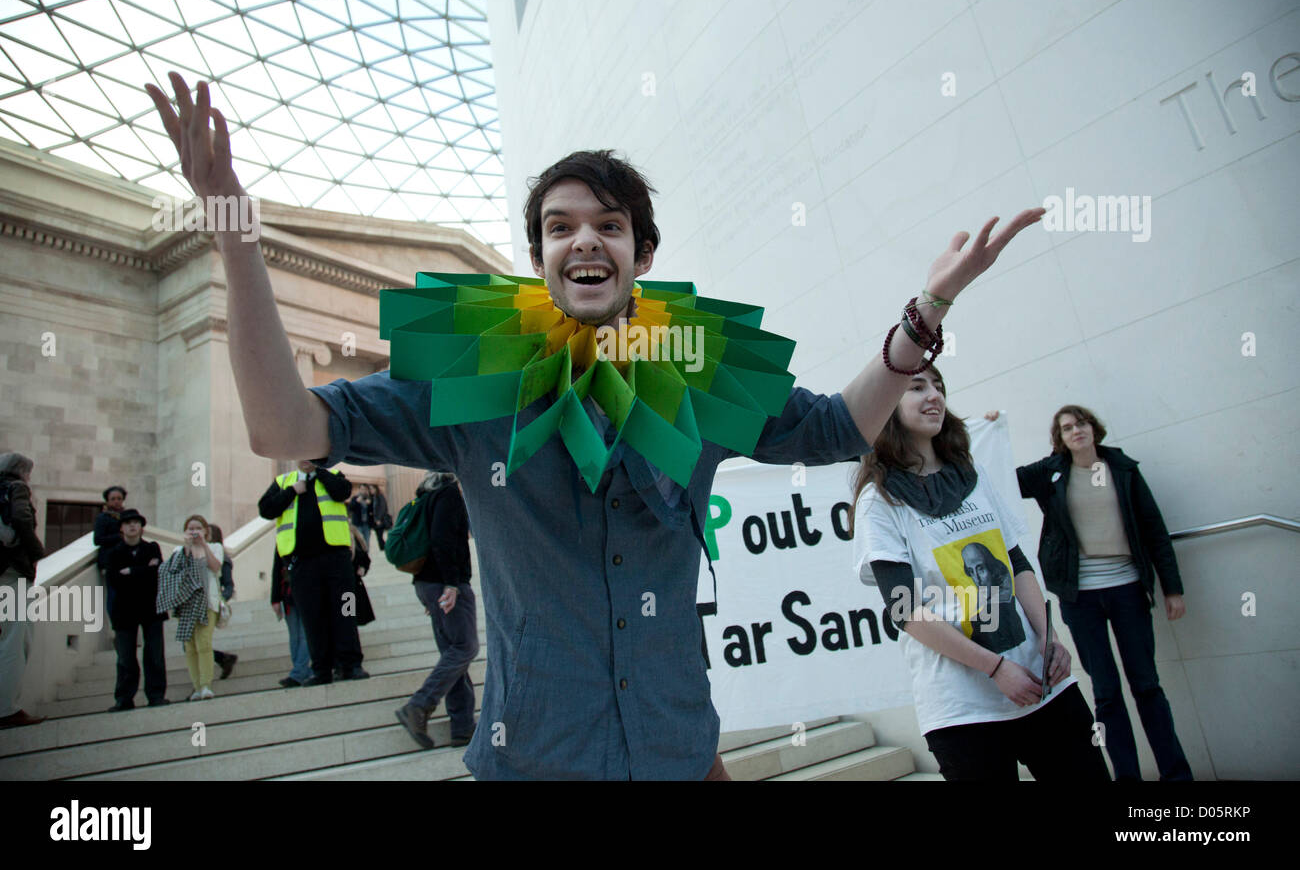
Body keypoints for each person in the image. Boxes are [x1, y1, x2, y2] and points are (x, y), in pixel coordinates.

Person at [146, 71, 1043, 779]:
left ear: (641, 254)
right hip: (535, 760)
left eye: (608, 226)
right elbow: (283, 426)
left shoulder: (700, 374)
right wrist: (235, 233)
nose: (585, 241)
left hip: (679, 754)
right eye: (558, 226)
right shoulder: (477, 386)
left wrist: (926, 313)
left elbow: (838, 429)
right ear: (537, 258)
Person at [852, 366, 1110, 781]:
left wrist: (1048, 636)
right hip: (963, 709)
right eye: (916, 388)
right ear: (887, 404)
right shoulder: (878, 500)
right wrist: (994, 668)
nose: (934, 395)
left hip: (1043, 681)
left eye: (938, 386)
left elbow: (1016, 563)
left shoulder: (972, 475)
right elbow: (904, 609)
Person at [989, 404, 1193, 781]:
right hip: (1080, 599)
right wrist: (989, 430)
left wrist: (1172, 589)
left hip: (1128, 591)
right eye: (1066, 428)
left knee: (1147, 686)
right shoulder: (1051, 473)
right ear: (1060, 439)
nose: (1075, 430)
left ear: (1093, 429)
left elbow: (1154, 530)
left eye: (1080, 423)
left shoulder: (1124, 470)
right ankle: (1127, 776)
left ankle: (1176, 775)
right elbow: (999, 480)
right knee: (1106, 692)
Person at [257, 460, 367, 685]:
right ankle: (321, 670)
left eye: (311, 455)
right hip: (302, 564)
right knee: (313, 618)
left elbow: (342, 492)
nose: (306, 459)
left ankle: (351, 665)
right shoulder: (283, 482)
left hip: (336, 559)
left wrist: (320, 473)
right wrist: (291, 491)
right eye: (302, 455)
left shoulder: (333, 474)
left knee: (346, 612)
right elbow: (266, 509)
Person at [394, 472, 479, 750]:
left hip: (427, 584)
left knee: (452, 652)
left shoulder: (426, 495)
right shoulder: (449, 495)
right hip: (445, 584)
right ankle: (419, 706)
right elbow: (443, 540)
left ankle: (462, 727)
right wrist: (451, 584)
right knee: (465, 647)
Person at [0, 452, 47, 729]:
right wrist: (36, 552)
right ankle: (6, 709)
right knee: (16, 640)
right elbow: (20, 517)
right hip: (12, 573)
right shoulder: (16, 487)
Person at [104, 509, 169, 710]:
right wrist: (144, 570)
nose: (132, 526)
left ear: (141, 527)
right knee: (125, 658)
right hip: (124, 611)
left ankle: (156, 695)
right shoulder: (114, 553)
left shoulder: (152, 548)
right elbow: (114, 581)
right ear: (121, 528)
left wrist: (131, 571)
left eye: (136, 522)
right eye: (128, 523)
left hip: (151, 608)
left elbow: (156, 574)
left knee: (154, 654)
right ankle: (124, 698)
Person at [167, 515, 224, 700]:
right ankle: (197, 686)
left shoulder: (215, 547)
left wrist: (203, 546)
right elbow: (174, 571)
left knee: (204, 643)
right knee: (190, 646)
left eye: (198, 528)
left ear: (206, 530)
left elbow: (215, 567)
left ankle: (206, 685)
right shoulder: (179, 550)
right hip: (187, 604)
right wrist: (188, 547)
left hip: (207, 602)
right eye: (190, 528)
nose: (194, 532)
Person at [271, 545, 312, 687]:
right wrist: (274, 598)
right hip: (288, 594)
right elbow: (276, 569)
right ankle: (300, 670)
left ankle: (298, 673)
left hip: (309, 591)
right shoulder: (282, 539)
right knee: (295, 635)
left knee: (305, 634)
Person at [207, 523, 238, 680]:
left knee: (199, 643)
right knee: (193, 644)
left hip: (211, 604)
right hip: (199, 603)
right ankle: (222, 659)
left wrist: (220, 600)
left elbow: (228, 584)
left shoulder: (222, 558)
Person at [94, 485, 127, 618]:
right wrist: (119, 536)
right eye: (113, 499)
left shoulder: (127, 516)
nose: (116, 501)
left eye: (119, 498)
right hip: (110, 562)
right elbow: (98, 539)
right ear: (107, 501)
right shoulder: (103, 517)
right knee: (113, 595)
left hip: (125, 560)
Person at [348, 487, 371, 553]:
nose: (363, 491)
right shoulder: (355, 498)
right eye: (362, 489)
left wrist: (370, 504)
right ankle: (360, 555)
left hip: (366, 524)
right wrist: (356, 502)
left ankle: (366, 556)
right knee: (359, 541)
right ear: (359, 490)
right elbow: (350, 508)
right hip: (358, 524)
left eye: (365, 489)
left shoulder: (368, 499)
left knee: (366, 542)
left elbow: (373, 511)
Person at [369, 484, 391, 552]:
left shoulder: (379, 496)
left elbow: (382, 508)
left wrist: (378, 518)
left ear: (376, 489)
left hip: (380, 520)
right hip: (376, 520)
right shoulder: (374, 497)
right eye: (370, 489)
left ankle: (385, 548)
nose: (371, 490)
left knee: (380, 535)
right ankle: (383, 548)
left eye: (372, 489)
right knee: (379, 535)